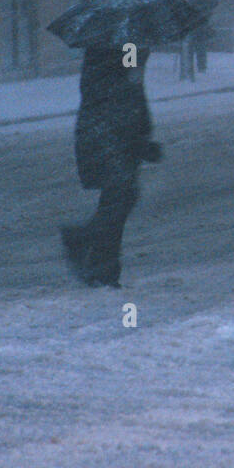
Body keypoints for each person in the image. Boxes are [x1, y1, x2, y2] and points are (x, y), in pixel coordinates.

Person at [60, 45, 162, 287]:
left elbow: (129, 94)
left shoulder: (110, 51)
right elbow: (128, 97)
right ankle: (84, 242)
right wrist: (141, 138)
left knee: (117, 201)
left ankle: (104, 271)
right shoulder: (123, 52)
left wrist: (142, 136)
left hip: (107, 135)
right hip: (112, 138)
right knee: (120, 201)